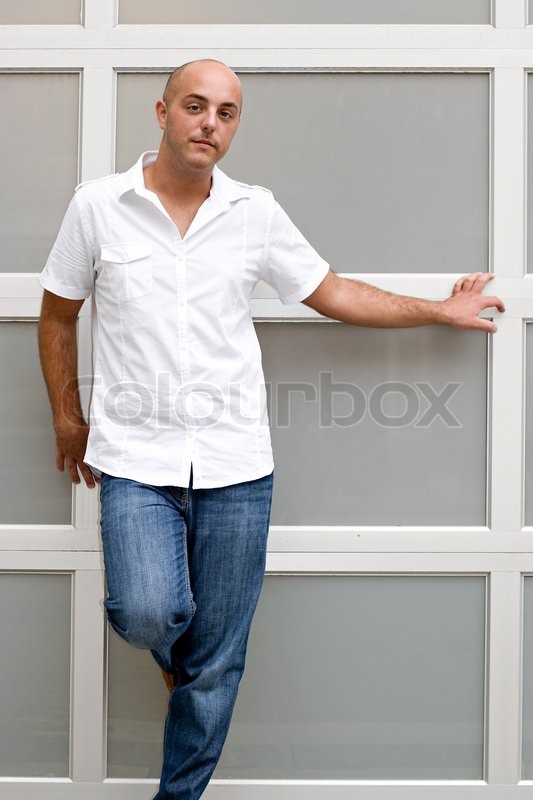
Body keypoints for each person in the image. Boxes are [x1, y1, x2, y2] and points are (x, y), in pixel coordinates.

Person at [38, 59, 505, 800]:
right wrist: (68, 416)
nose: (209, 124)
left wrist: (435, 310)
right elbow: (58, 313)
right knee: (146, 613)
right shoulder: (97, 206)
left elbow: (334, 291)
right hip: (133, 458)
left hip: (237, 468)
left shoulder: (254, 212)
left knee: (218, 664)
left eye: (226, 113)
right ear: (161, 112)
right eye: (195, 106)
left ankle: (178, 794)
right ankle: (178, 661)